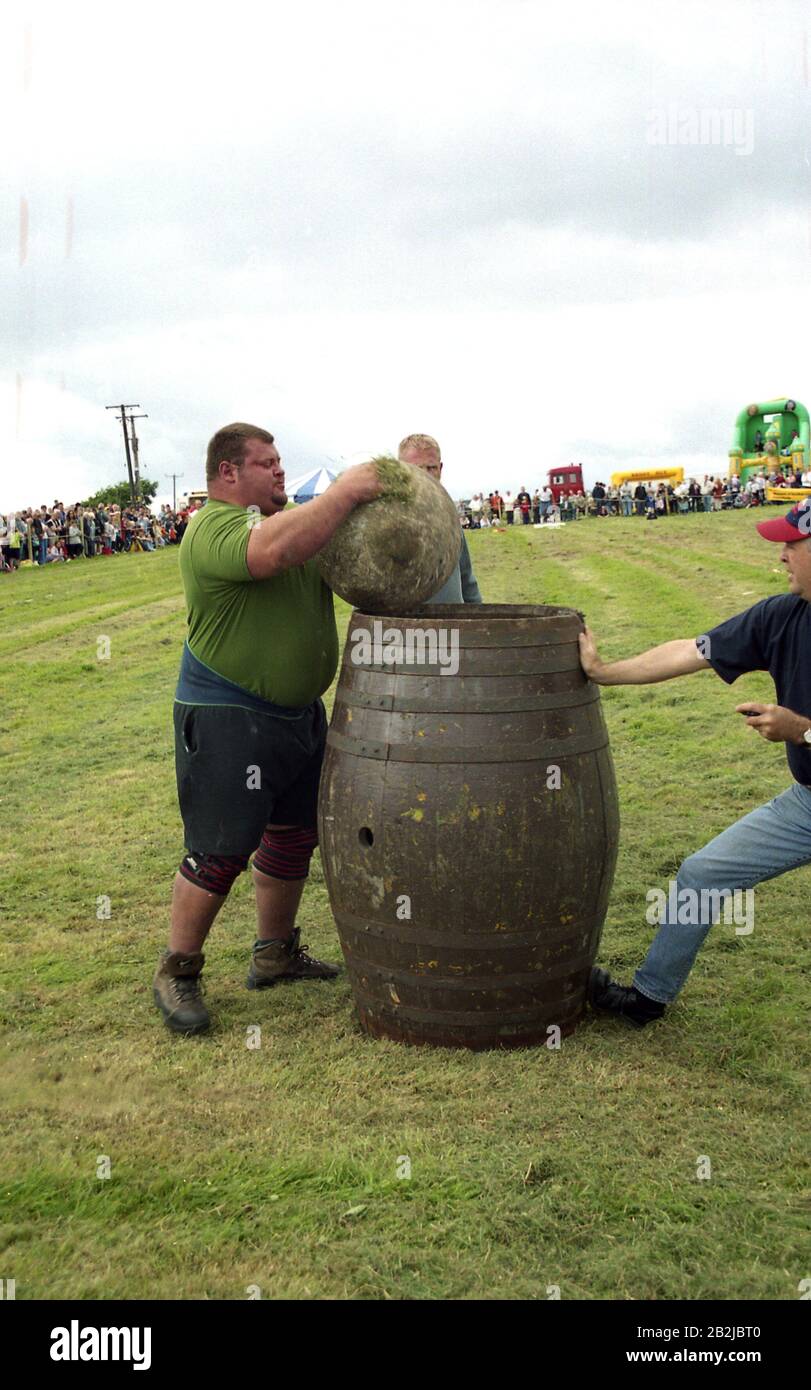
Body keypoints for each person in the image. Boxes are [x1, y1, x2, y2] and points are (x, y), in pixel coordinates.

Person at [153, 422, 381, 1036]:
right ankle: (178, 968)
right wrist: (346, 492)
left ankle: (274, 952)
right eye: (266, 463)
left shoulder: (297, 525)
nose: (281, 471)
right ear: (229, 473)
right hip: (230, 713)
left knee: (292, 834)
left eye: (282, 462)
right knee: (220, 849)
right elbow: (269, 553)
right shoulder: (214, 529)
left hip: (298, 716)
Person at [580, 498, 811, 1027]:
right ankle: (646, 1001)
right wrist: (604, 672)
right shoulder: (782, 616)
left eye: (791, 545)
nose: (781, 557)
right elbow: (690, 651)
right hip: (807, 804)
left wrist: (801, 730)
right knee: (702, 874)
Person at [397, 434, 482, 603]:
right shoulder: (382, 519)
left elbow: (467, 579)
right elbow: (369, 587)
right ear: (399, 469)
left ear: (440, 468)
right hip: (402, 627)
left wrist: (477, 617)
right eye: (416, 468)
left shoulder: (448, 515)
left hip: (452, 624)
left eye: (431, 468)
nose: (425, 476)